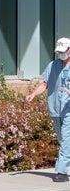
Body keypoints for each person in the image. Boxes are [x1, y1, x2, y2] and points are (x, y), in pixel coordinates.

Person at [26, 36, 70, 182]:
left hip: (68, 109)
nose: (61, 54)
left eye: (64, 51)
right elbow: (44, 84)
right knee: (62, 139)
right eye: (59, 52)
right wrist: (33, 94)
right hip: (55, 109)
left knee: (66, 140)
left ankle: (61, 172)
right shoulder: (53, 65)